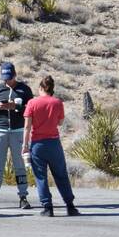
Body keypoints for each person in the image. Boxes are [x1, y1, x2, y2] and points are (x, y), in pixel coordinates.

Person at [23, 75, 79, 217]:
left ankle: (48, 207)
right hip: (54, 143)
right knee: (61, 174)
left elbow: (27, 127)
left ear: (41, 88)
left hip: (38, 144)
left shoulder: (32, 103)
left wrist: (25, 145)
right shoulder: (57, 102)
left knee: (40, 176)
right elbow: (60, 123)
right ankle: (70, 205)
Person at [0, 61, 34, 210]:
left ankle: (23, 197)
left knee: (20, 166)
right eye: (4, 78)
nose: (7, 80)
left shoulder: (24, 90)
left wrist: (17, 106)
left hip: (18, 131)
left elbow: (31, 110)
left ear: (14, 75)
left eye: (9, 77)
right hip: (0, 131)